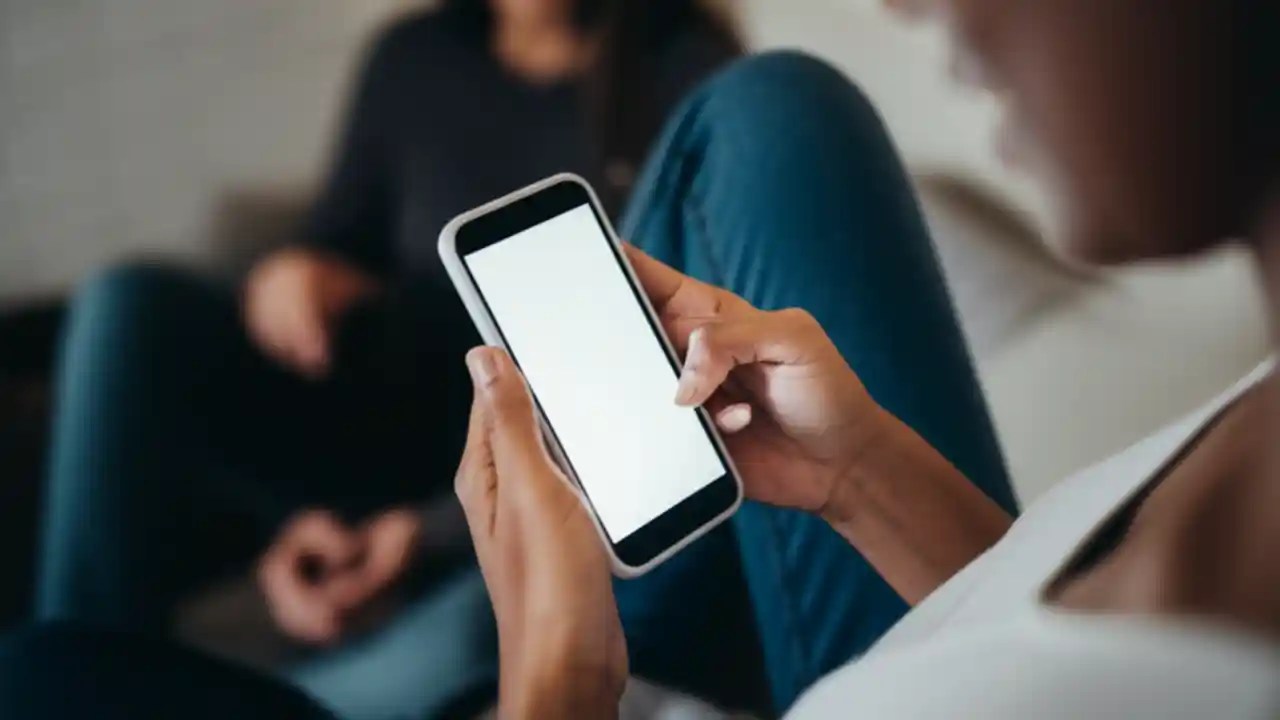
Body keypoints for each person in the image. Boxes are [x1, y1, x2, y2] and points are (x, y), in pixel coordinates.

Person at [9, 0, 1279, 717]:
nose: (903, 5)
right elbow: (1013, 630)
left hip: (582, 516)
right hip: (440, 454)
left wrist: (555, 670)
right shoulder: (415, 62)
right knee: (127, 318)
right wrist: (859, 474)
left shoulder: (669, 66)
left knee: (41, 681)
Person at [35, 0, 739, 717]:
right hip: (373, 439)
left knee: (496, 622)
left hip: (533, 478)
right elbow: (338, 239)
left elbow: (655, 392)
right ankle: (81, 667)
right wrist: (299, 273)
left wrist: (427, 534)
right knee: (129, 303)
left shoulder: (690, 76)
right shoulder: (412, 57)